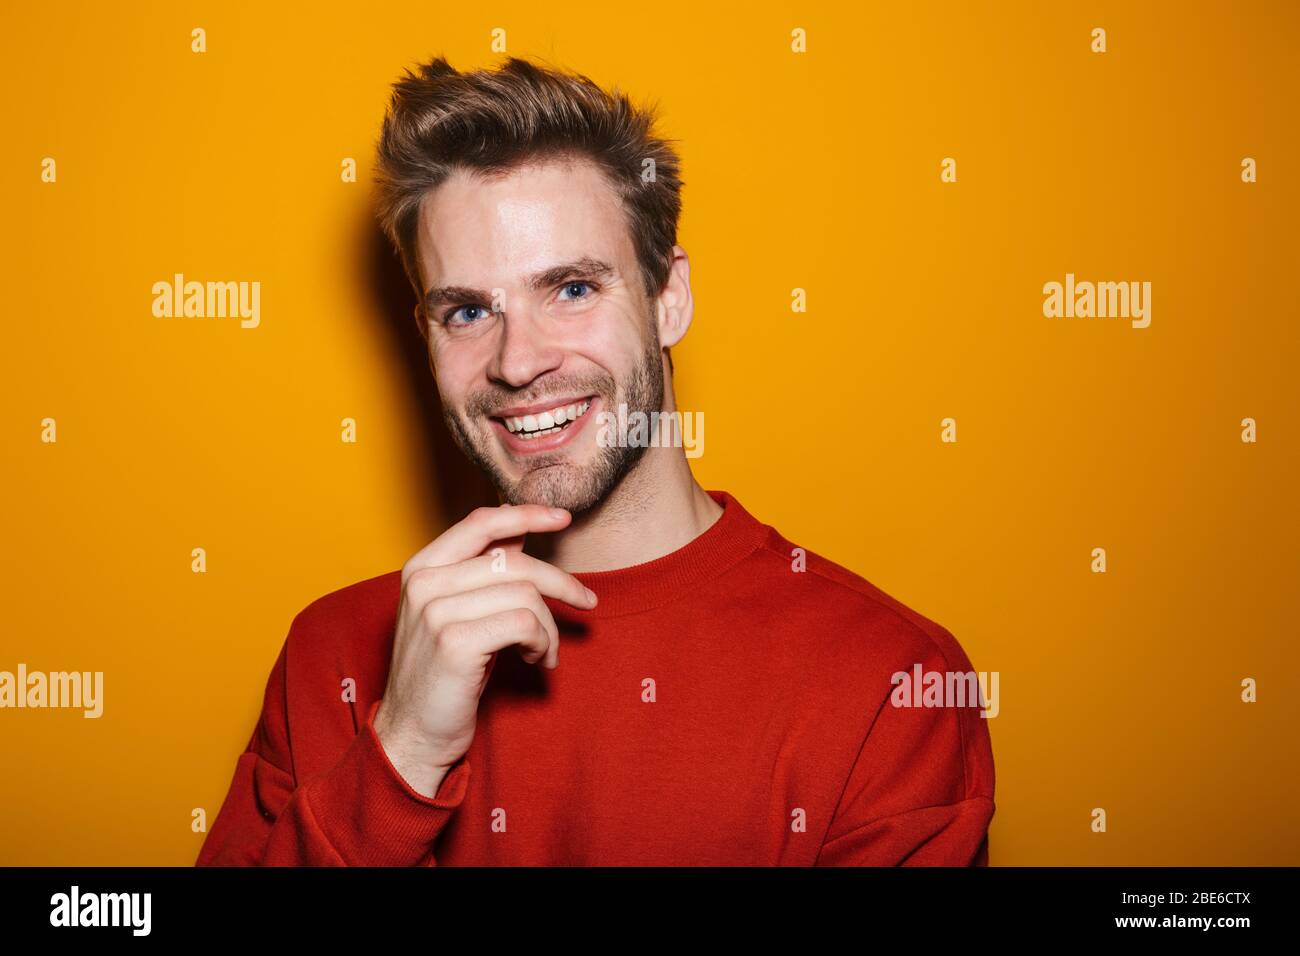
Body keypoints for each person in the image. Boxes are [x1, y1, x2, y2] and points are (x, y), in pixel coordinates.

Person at [196, 55, 995, 866]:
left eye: (571, 289)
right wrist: (398, 757)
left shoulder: (889, 684)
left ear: (667, 297)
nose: (517, 361)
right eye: (469, 310)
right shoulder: (336, 653)